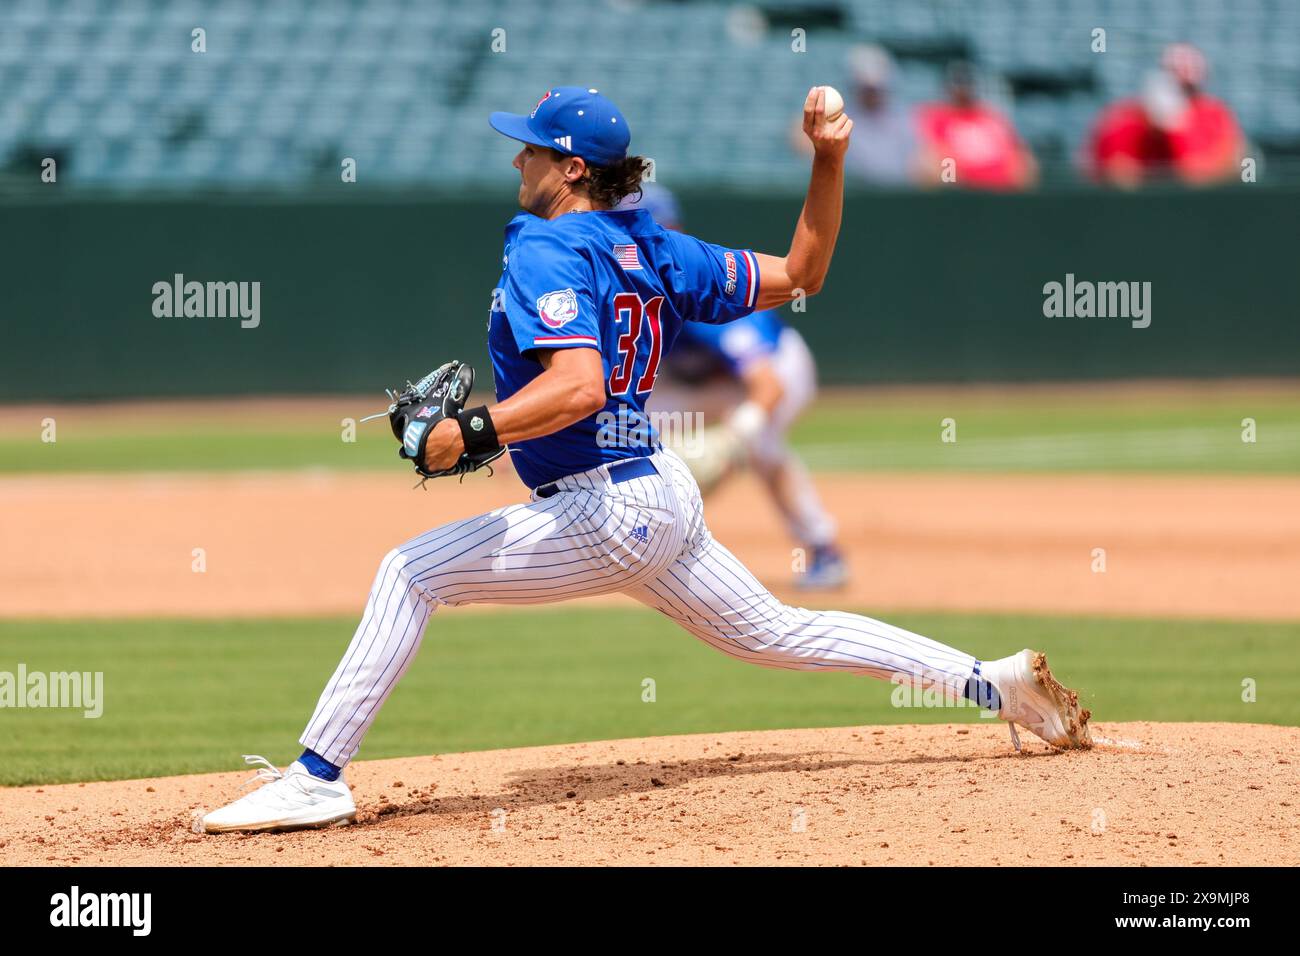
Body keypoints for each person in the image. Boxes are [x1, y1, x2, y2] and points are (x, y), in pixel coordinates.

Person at [200, 85, 1090, 834]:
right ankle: (997, 685)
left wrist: (468, 432)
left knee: (409, 573)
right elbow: (807, 269)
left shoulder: (545, 243)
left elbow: (579, 386)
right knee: (777, 631)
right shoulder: (651, 246)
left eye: (532, 152)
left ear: (571, 168)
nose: (519, 163)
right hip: (655, 490)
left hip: (606, 505)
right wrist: (828, 159)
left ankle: (315, 777)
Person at [621, 183, 848, 589]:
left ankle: (823, 548)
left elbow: (768, 386)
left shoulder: (696, 289)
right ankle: (645, 530)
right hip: (709, 381)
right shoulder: (629, 288)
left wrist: (734, 438)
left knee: (759, 444)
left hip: (781, 368)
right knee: (628, 422)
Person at [1085, 43, 1244, 187]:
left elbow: (1210, 175)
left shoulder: (1214, 115)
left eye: (1188, 90)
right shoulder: (1123, 118)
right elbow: (1113, 178)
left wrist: (1176, 128)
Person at [791, 45, 916, 186]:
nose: (872, 93)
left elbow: (921, 164)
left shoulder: (901, 119)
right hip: (849, 196)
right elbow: (801, 137)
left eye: (875, 88)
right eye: (866, 88)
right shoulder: (836, 116)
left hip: (893, 195)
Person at [914, 61, 1037, 191]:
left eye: (966, 83)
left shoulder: (991, 116)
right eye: (958, 84)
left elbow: (1014, 149)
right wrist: (953, 180)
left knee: (1026, 163)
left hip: (999, 184)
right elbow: (939, 151)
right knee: (936, 162)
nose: (962, 89)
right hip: (959, 184)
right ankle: (949, 197)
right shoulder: (939, 116)